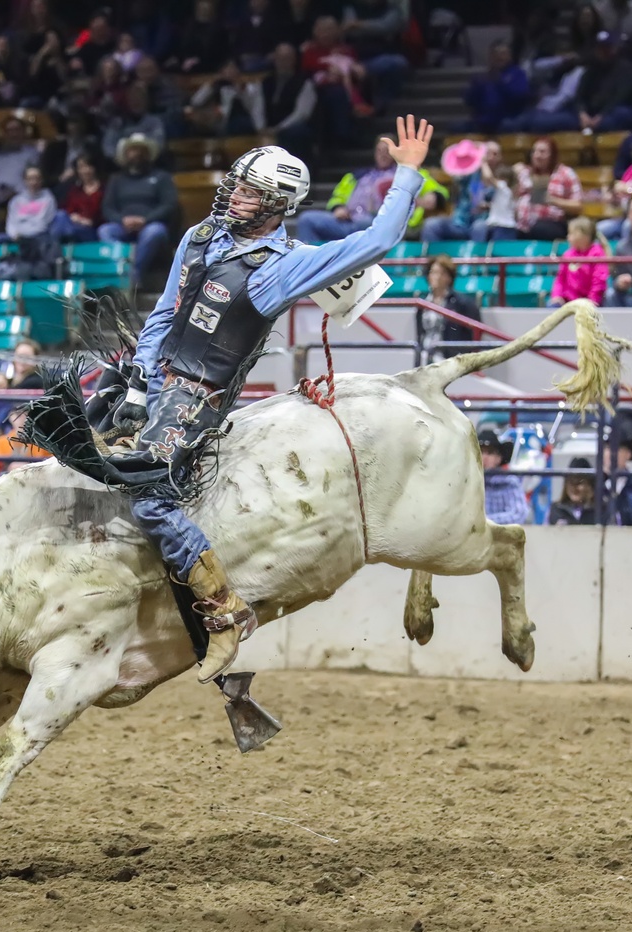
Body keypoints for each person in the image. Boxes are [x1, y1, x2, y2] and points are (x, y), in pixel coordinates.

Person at [54, 117, 435, 682]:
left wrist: (406, 173)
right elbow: (166, 311)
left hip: (199, 397)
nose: (235, 195)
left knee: (148, 497)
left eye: (251, 191)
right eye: (236, 183)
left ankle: (224, 609)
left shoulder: (280, 269)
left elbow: (375, 242)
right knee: (73, 445)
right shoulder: (200, 236)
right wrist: (136, 377)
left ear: (276, 204)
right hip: (156, 374)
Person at [296, 135, 445, 242]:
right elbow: (338, 197)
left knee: (365, 223)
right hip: (348, 223)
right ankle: (310, 267)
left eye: (387, 151)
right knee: (307, 219)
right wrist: (338, 208)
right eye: (379, 151)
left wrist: (431, 198)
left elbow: (439, 192)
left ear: (396, 153)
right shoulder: (358, 176)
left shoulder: (408, 173)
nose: (383, 155)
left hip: (383, 225)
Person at [98, 133, 179, 287]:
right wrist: (122, 220)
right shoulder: (116, 179)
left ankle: (132, 274)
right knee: (105, 231)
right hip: (123, 225)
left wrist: (145, 220)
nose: (136, 154)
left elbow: (169, 204)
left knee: (155, 231)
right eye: (133, 150)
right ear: (126, 154)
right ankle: (127, 272)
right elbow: (107, 207)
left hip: (150, 225)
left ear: (148, 154)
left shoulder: (161, 177)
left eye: (141, 150)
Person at [513, 138, 580, 241]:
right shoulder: (525, 173)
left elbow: (578, 206)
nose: (537, 155)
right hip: (522, 224)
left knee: (538, 228)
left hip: (553, 224)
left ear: (552, 155)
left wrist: (553, 200)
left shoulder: (565, 173)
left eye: (542, 152)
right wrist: (513, 172)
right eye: (534, 151)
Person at [415, 255, 481, 353]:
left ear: (449, 278)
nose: (437, 277)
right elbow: (420, 334)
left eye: (441, 273)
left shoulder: (461, 303)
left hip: (450, 358)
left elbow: (474, 331)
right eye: (433, 272)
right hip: (425, 356)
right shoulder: (423, 304)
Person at [550, 217, 607, 307]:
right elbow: (560, 279)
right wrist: (557, 295)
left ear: (583, 236)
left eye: (571, 234)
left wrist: (593, 300)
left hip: (590, 302)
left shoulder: (597, 254)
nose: (568, 237)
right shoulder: (568, 255)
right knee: (552, 306)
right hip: (567, 301)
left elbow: (599, 280)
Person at [478, 427, 530, 525]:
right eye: (480, 451)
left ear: (499, 458)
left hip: (502, 537)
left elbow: (519, 514)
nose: (484, 457)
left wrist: (484, 522)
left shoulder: (509, 482)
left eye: (490, 453)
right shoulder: (467, 484)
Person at [51, 155, 105, 244]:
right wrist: (74, 217)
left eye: (87, 166)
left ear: (94, 168)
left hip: (92, 229)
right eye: (81, 167)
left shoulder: (103, 190)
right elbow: (68, 209)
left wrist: (90, 221)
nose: (85, 171)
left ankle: (55, 251)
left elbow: (105, 213)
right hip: (74, 225)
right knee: (60, 215)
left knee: (65, 230)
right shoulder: (75, 190)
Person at [548, 458, 599, 525]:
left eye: (579, 482)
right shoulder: (555, 510)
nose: (574, 488)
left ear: (590, 485)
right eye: (571, 482)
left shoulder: (601, 511)